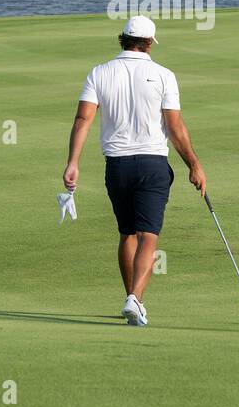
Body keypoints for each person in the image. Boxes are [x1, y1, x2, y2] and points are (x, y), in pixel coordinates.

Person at [63, 16, 206, 327]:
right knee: (148, 237)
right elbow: (175, 127)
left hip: (116, 166)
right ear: (151, 43)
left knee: (127, 233)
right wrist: (194, 164)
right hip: (153, 164)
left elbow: (83, 120)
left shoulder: (99, 73)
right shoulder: (163, 75)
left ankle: (133, 302)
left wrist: (73, 162)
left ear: (122, 39)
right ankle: (135, 299)